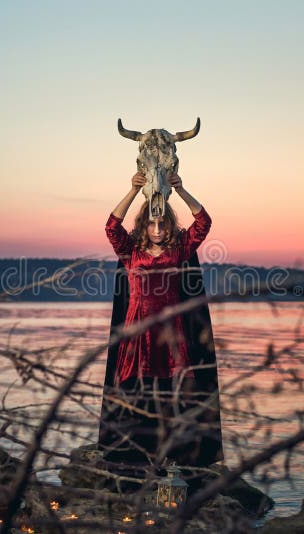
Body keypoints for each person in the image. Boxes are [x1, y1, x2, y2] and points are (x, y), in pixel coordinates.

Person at [97, 170, 223, 491]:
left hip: (171, 334)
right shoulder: (131, 253)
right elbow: (111, 226)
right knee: (136, 393)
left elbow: (204, 222)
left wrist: (181, 190)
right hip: (137, 334)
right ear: (144, 225)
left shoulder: (178, 250)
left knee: (173, 394)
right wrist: (132, 190)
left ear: (169, 225)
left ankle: (174, 459)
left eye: (162, 224)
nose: (156, 229)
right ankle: (134, 460)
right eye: (151, 224)